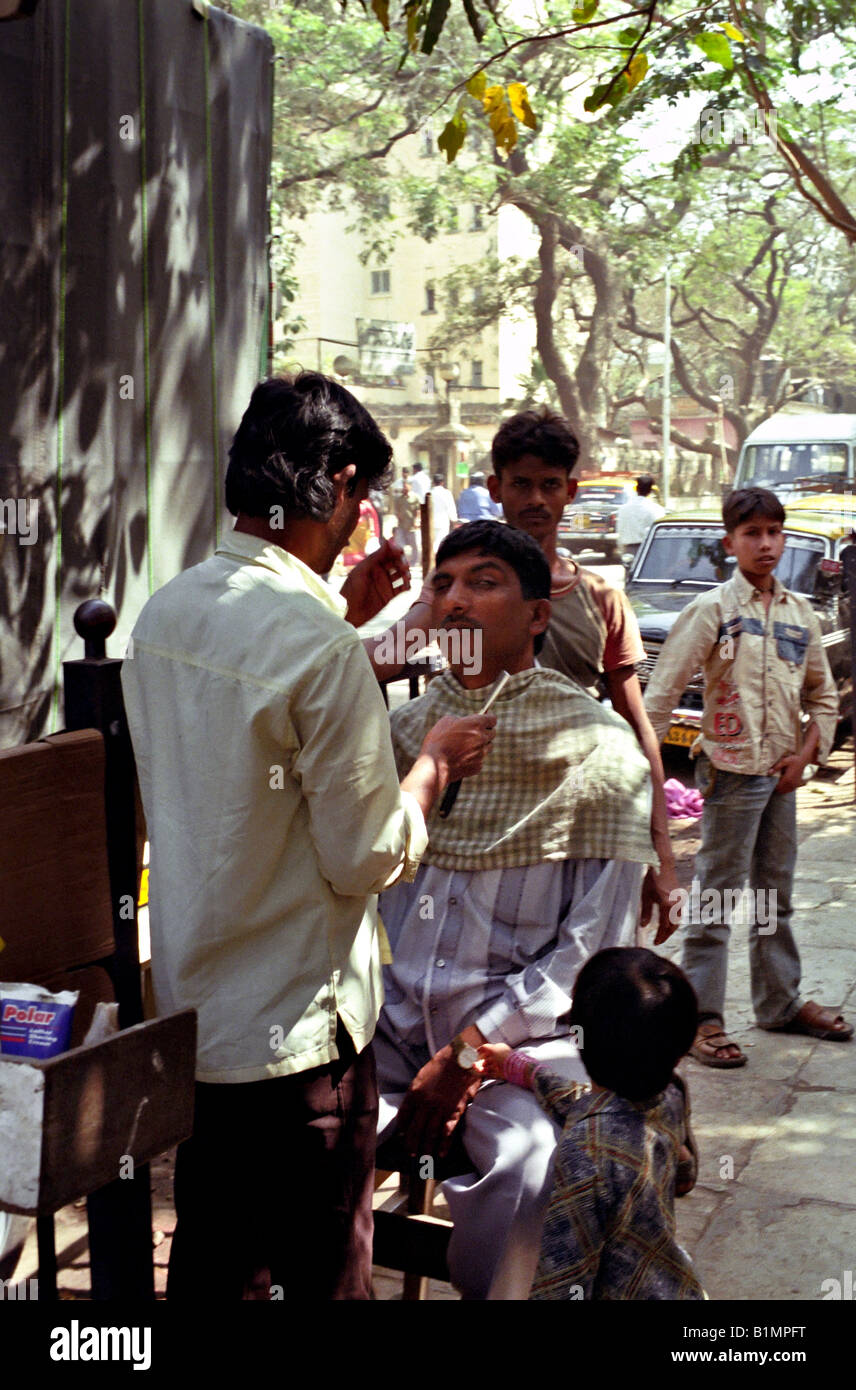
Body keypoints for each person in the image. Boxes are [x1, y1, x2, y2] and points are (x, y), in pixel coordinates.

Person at [121, 373, 496, 1300]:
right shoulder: (314, 644)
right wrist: (433, 767)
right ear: (329, 483)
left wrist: (343, 611)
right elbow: (364, 853)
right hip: (303, 1047)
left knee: (216, 1262)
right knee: (326, 1274)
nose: (360, 519)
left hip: (202, 1022)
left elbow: (248, 751)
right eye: (359, 496)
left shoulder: (165, 615)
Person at [374, 520, 656, 1299]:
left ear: (538, 614)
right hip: (386, 1032)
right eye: (443, 584)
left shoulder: (599, 751)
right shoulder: (397, 738)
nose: (457, 601)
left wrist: (466, 1056)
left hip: (516, 1054)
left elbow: (587, 954)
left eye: (485, 581)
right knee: (287, 1142)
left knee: (536, 1167)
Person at [644, 487, 851, 1068]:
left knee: (773, 896)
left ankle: (779, 1004)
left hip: (780, 782)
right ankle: (700, 1018)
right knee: (715, 898)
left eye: (773, 533)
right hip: (730, 777)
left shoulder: (799, 613)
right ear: (729, 542)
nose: (765, 544)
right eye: (752, 533)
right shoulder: (711, 611)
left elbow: (824, 697)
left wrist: (805, 754)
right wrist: (643, 776)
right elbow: (658, 699)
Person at [485, 408, 680, 935]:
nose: (535, 500)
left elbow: (637, 728)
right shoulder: (458, 592)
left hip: (583, 826)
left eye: (549, 485)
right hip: (484, 831)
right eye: (520, 484)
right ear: (494, 488)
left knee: (582, 987)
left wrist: (659, 852)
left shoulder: (600, 599)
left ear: (570, 491)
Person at [479, 948, 704, 1301]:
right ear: (681, 1048)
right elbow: (685, 1174)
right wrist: (520, 1067)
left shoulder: (584, 1151)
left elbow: (564, 1276)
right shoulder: (672, 1092)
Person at [616, 473, 665, 568]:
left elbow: (620, 531)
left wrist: (622, 550)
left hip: (628, 550)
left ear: (637, 489)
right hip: (649, 550)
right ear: (650, 491)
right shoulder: (656, 509)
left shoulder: (623, 509)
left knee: (630, 578)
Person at [392, 477, 420, 565]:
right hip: (401, 525)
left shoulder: (415, 498)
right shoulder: (399, 499)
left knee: (414, 545)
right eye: (403, 486)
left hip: (411, 525)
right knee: (399, 544)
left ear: (410, 486)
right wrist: (397, 515)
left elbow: (418, 510)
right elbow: (396, 510)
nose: (404, 488)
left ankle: (414, 561)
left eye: (406, 486)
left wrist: (417, 520)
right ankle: (401, 561)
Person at [430, 470, 458, 549]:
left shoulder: (429, 493)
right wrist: (454, 519)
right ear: (442, 482)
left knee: (433, 542)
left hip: (431, 522)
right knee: (441, 542)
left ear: (434, 482)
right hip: (443, 522)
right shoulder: (447, 493)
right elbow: (450, 507)